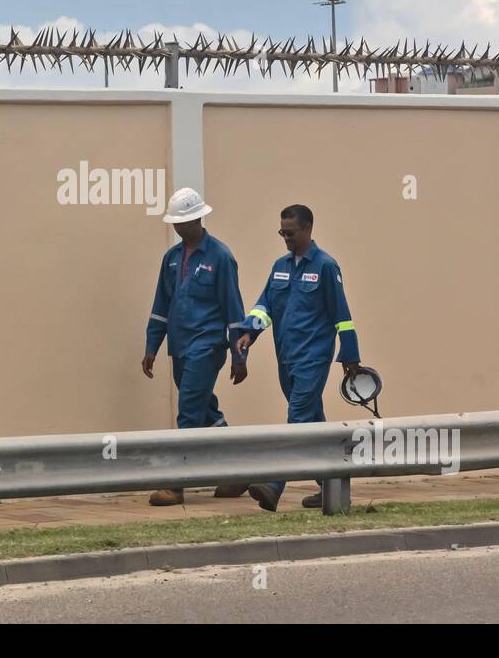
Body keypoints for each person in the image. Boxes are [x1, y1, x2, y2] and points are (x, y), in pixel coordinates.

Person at [234, 204, 361, 512]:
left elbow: (341, 315)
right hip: (286, 357)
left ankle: (273, 485)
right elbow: (264, 306)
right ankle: (331, 482)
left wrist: (349, 354)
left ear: (307, 230)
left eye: (290, 233)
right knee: (313, 422)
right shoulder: (280, 266)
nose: (285, 238)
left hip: (313, 357)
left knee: (298, 418)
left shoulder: (326, 266)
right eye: (282, 233)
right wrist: (249, 333)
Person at [142, 187, 250, 506]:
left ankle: (177, 483)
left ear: (200, 218)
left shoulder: (220, 257)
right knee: (204, 409)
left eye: (185, 222)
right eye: (176, 223)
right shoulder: (172, 259)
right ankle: (239, 472)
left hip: (207, 345)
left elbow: (234, 311)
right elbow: (161, 303)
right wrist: (152, 345)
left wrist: (238, 356)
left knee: (188, 410)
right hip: (180, 344)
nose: (180, 228)